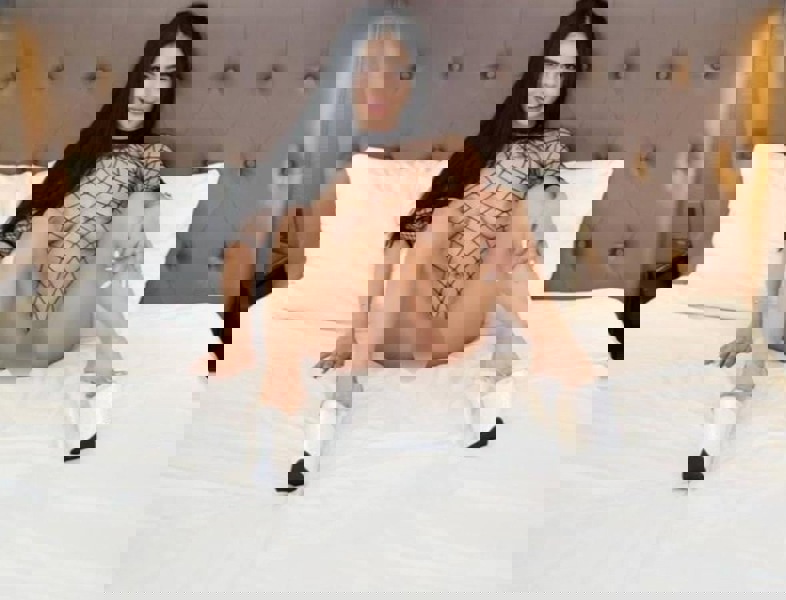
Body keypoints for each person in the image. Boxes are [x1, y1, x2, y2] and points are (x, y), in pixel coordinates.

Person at [0, 4, 208, 460]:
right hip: (34, 262)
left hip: (64, 283)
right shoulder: (83, 149)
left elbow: (128, 250)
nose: (152, 90)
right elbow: (31, 215)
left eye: (166, 78)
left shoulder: (137, 160)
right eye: (151, 74)